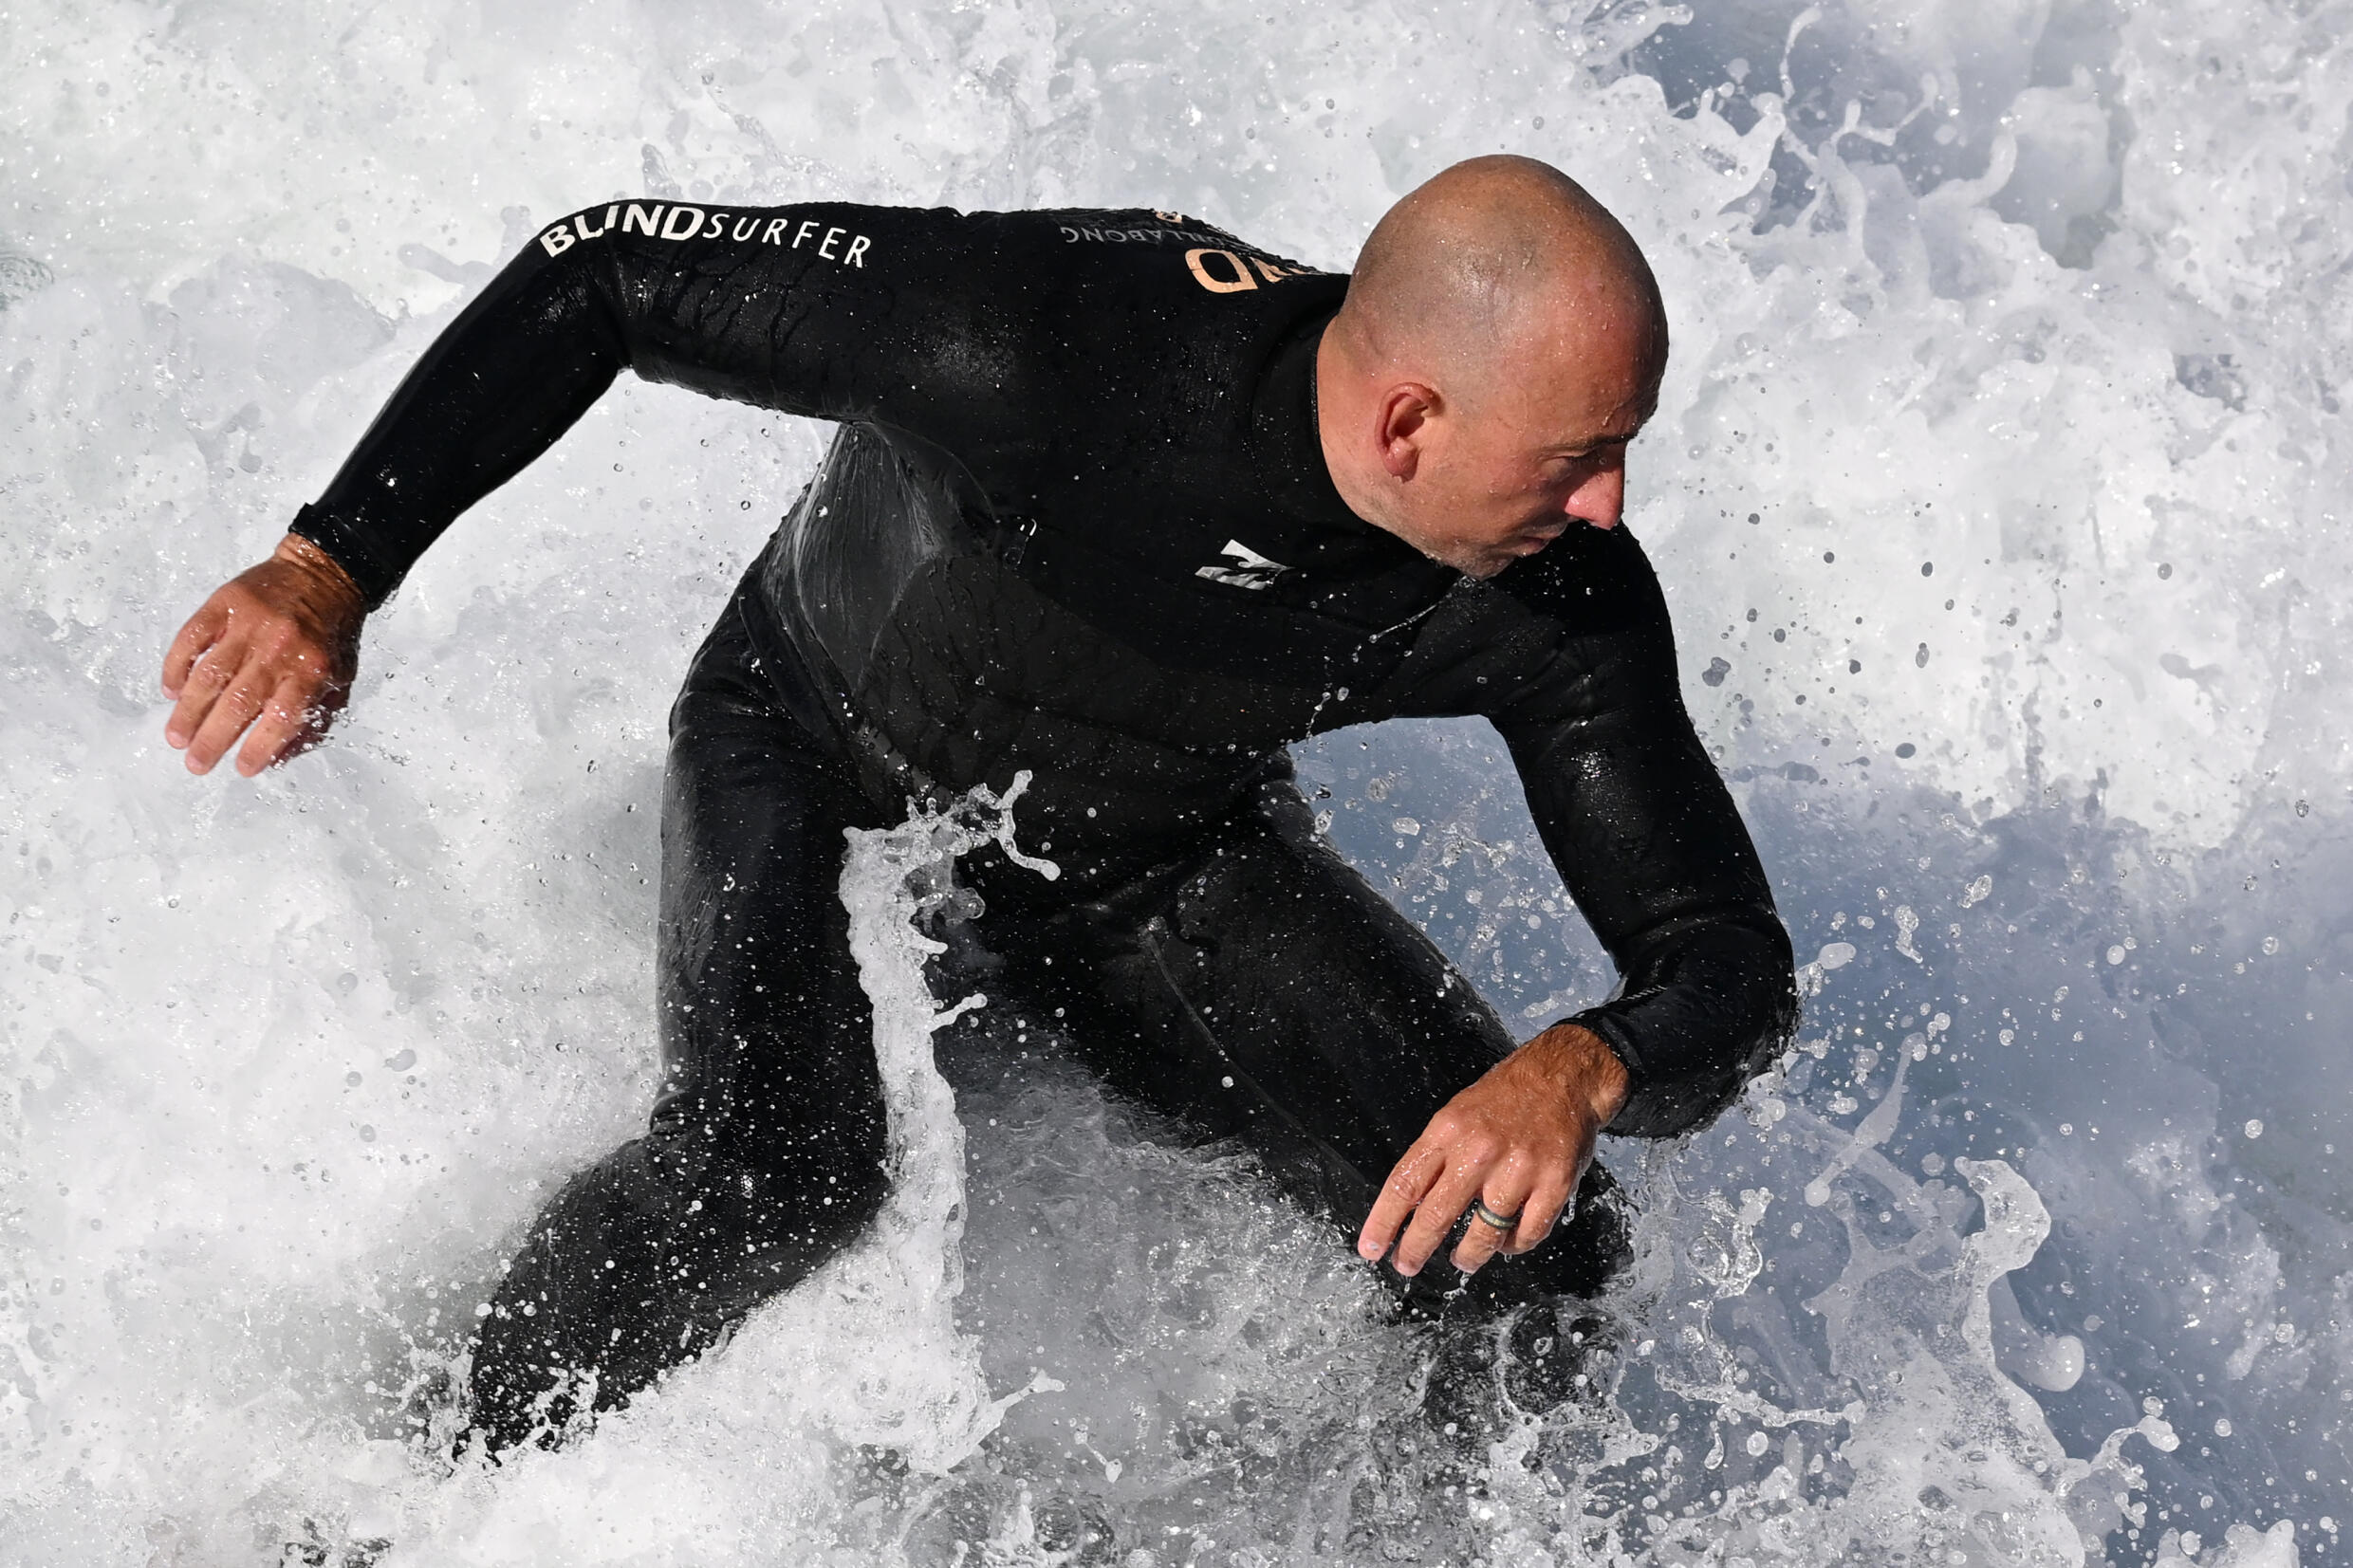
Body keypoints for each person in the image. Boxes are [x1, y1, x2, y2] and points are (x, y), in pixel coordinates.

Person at [160, 156, 1796, 1452]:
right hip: (815, 754)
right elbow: (610, 265)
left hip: (1152, 867)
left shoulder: (1558, 591)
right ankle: (427, 1476)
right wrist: (329, 565)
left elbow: (1724, 956)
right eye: (1582, 453)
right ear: (1407, 422)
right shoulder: (1055, 342)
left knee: (1539, 1258)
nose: (1610, 505)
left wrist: (1586, 1065)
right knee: (782, 1167)